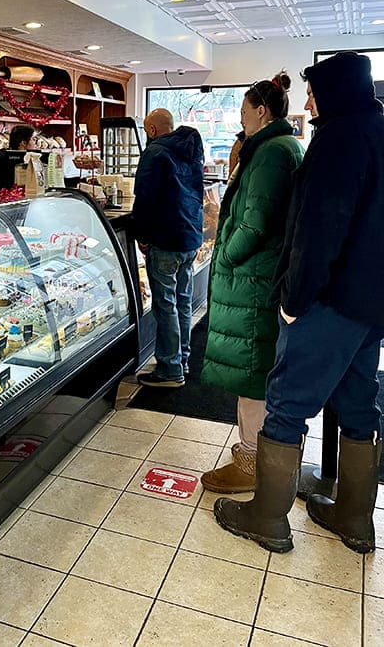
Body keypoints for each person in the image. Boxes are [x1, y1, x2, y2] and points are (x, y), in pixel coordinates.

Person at [215, 52, 384, 554]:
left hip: (329, 299)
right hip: (372, 304)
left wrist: (293, 298)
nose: (307, 103)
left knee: (287, 404)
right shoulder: (378, 129)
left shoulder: (338, 139)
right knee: (360, 404)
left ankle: (266, 516)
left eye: (313, 92)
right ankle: (356, 518)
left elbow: (319, 227)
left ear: (334, 91)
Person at [200, 73, 303, 493]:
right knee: (257, 369)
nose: (240, 120)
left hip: (253, 280)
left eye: (243, 112)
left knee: (252, 372)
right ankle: (258, 456)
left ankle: (252, 462)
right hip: (261, 278)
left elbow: (254, 221)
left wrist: (224, 255)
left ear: (261, 111)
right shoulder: (281, 147)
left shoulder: (271, 153)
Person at [132, 109, 204, 387]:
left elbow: (146, 199)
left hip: (165, 239)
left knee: (166, 305)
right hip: (189, 237)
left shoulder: (155, 153)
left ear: (151, 130)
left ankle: (170, 369)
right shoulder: (192, 149)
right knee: (182, 301)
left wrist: (143, 235)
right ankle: (182, 360)